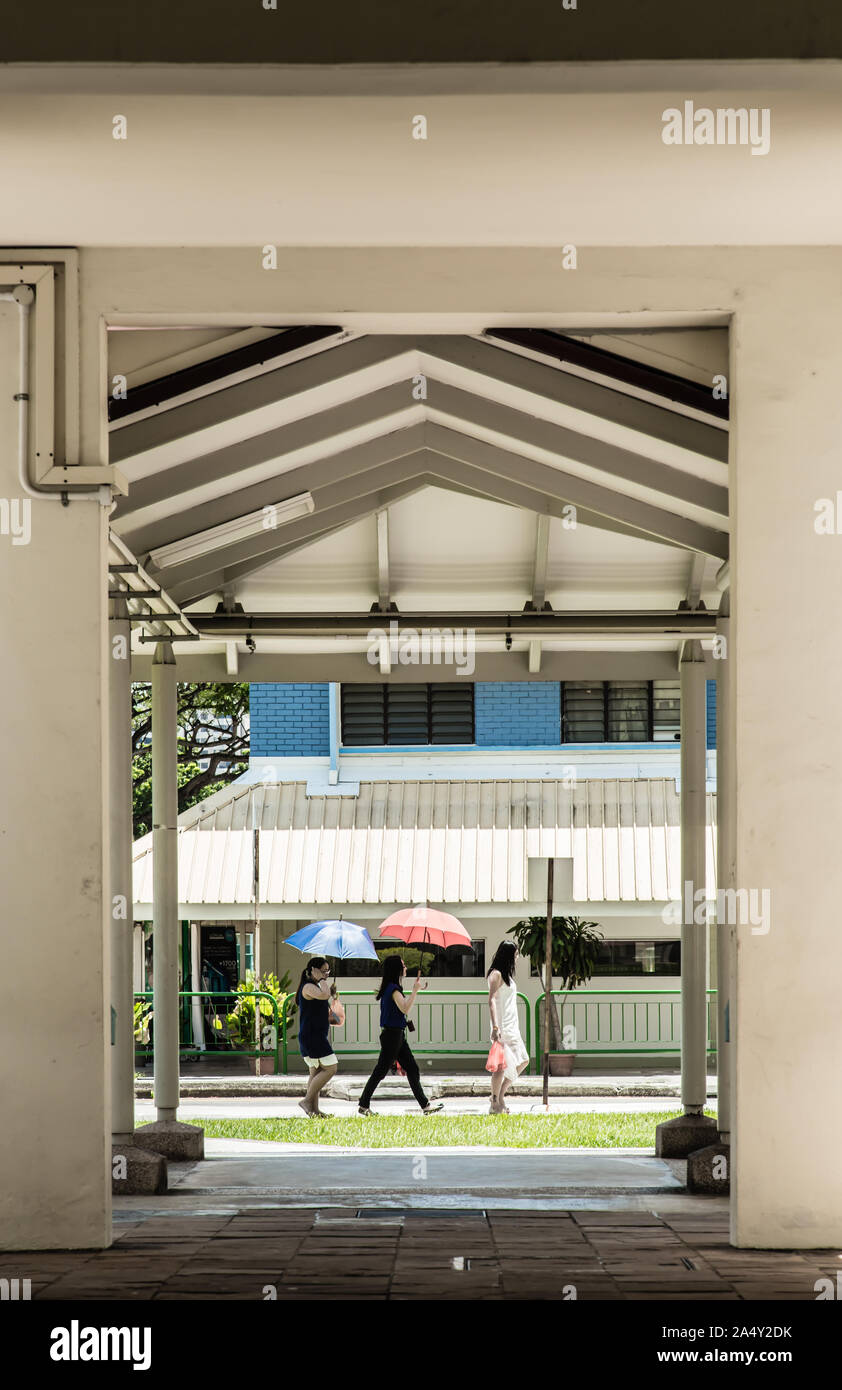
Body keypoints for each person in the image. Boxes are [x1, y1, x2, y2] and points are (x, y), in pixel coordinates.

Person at [357, 955, 444, 1116]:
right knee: (381, 1071)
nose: (405, 968)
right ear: (397, 969)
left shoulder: (391, 988)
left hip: (397, 1035)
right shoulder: (393, 989)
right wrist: (415, 991)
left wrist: (413, 990)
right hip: (392, 1036)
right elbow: (405, 1008)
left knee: (412, 1068)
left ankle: (425, 1106)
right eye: (403, 965)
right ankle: (363, 1104)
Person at [486, 942, 529, 1114]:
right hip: (502, 1027)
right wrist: (495, 1026)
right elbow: (491, 1001)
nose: (517, 957)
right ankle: (495, 1103)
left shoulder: (507, 975)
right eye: (516, 954)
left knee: (524, 1060)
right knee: (500, 1067)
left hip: (512, 1026)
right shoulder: (495, 974)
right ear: (508, 955)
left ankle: (500, 1094)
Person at [296, 956, 339, 1117]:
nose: (326, 974)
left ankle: (314, 1110)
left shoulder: (316, 986)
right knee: (331, 1068)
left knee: (316, 1072)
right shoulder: (308, 987)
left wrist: (330, 990)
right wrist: (322, 980)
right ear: (313, 970)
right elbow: (322, 996)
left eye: (328, 971)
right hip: (312, 1037)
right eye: (323, 970)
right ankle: (307, 1101)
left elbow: (324, 998)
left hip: (314, 1035)